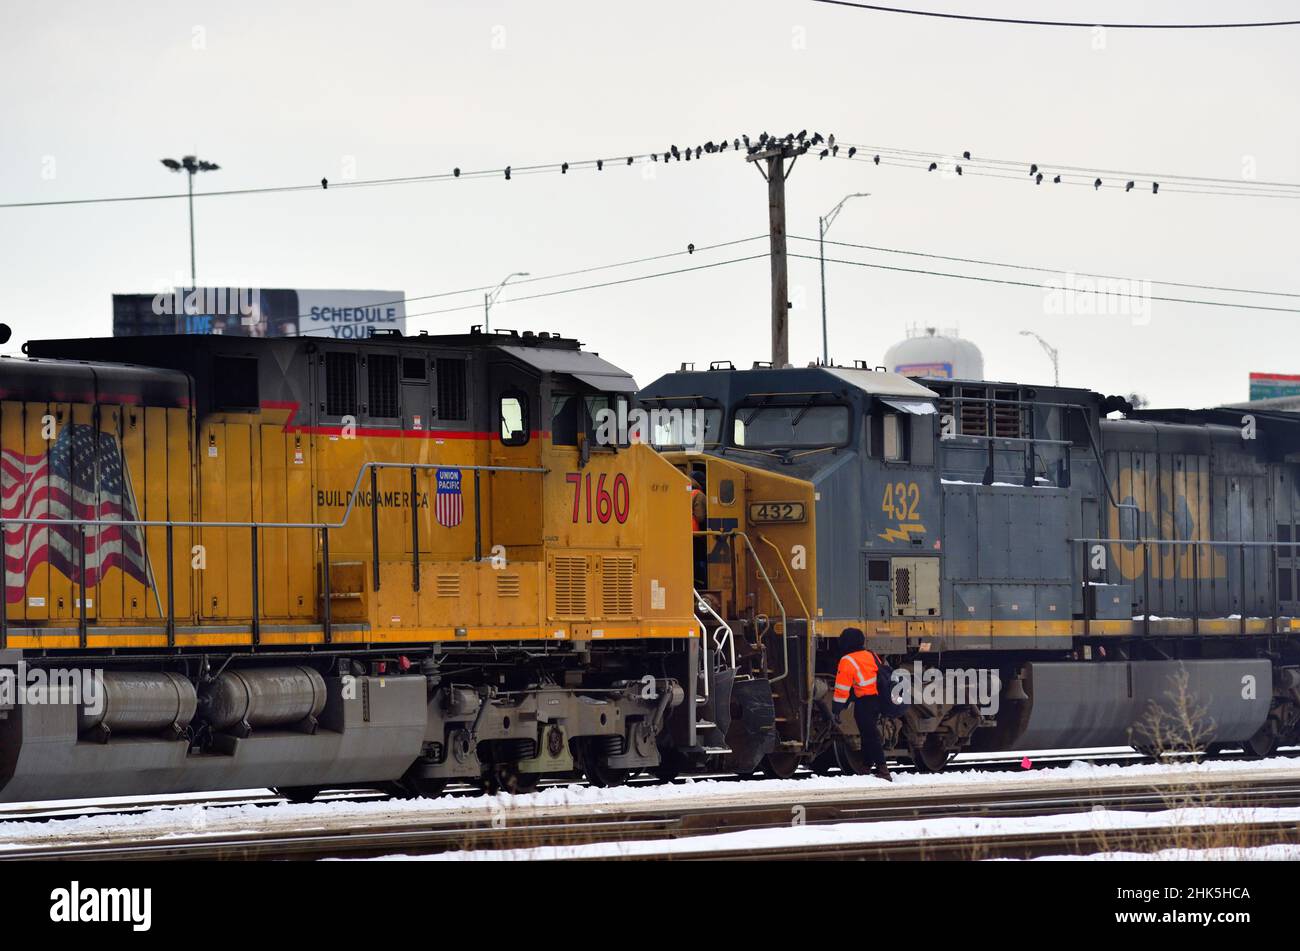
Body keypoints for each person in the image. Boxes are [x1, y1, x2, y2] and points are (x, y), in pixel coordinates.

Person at [831, 627, 892, 781]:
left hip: (865, 702)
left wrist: (837, 709)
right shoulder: (870, 654)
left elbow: (842, 689)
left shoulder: (847, 660)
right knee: (867, 734)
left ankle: (883, 770)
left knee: (870, 735)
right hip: (877, 699)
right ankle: (866, 766)